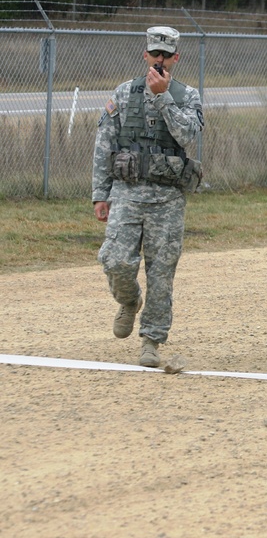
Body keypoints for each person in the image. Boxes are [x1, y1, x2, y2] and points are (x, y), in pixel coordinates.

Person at [92, 26, 204, 367]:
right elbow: (104, 142)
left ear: (176, 58)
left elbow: (187, 136)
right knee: (115, 260)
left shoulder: (187, 96)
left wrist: (163, 97)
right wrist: (101, 193)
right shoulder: (124, 93)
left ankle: (151, 341)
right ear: (145, 55)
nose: (160, 60)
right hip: (127, 192)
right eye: (154, 54)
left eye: (166, 55)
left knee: (161, 273)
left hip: (167, 198)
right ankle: (128, 300)